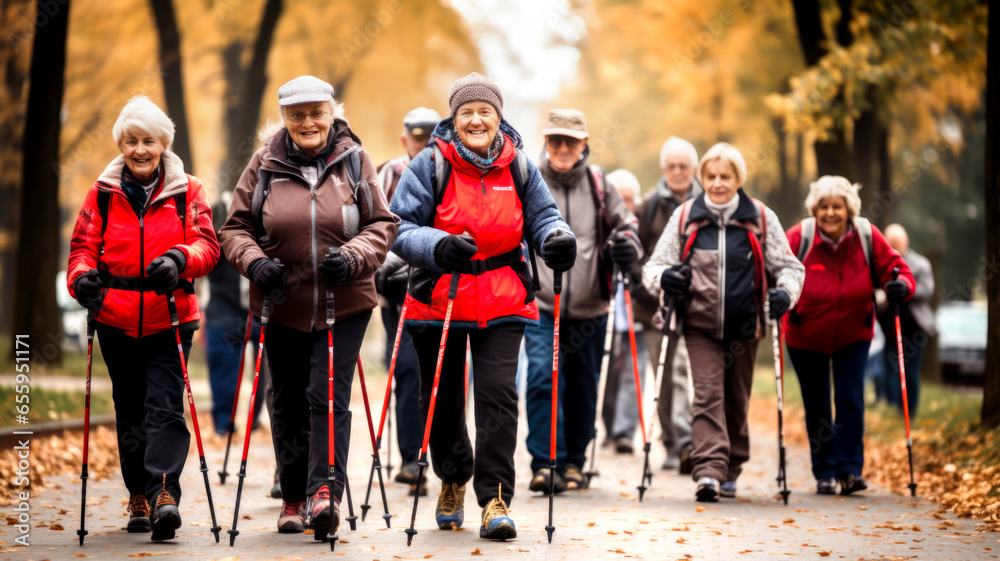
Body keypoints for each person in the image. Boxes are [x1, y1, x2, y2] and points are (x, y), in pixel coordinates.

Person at [390, 73, 574, 541]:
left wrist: (557, 239)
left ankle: (495, 499)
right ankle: (453, 476)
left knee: (498, 396)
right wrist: (438, 245)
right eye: (466, 112)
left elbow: (545, 217)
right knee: (443, 399)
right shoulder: (430, 164)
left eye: (485, 112)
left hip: (504, 296)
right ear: (454, 118)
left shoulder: (520, 168)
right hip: (439, 297)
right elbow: (400, 226)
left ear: (498, 117)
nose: (476, 119)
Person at [219, 75, 398, 540]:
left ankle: (325, 493)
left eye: (317, 112)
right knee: (286, 399)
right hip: (280, 303)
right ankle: (293, 498)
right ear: (284, 119)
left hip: (346, 302)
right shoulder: (264, 163)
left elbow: (382, 224)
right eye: (296, 115)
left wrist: (355, 256)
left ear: (332, 112)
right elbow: (234, 229)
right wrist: (255, 264)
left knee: (326, 394)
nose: (308, 122)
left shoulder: (355, 160)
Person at [67, 95, 220, 540]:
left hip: (169, 317)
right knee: (130, 409)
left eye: (148, 141)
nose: (139, 150)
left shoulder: (187, 190)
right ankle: (138, 492)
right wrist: (81, 281)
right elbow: (81, 249)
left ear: (163, 144)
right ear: (120, 145)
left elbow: (208, 247)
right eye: (130, 141)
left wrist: (179, 259)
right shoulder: (102, 193)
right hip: (114, 317)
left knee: (165, 408)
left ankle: (164, 495)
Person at [642, 142, 804, 502]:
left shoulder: (760, 218)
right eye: (711, 176)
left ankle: (731, 465)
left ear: (738, 179)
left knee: (736, 398)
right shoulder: (686, 217)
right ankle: (709, 473)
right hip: (699, 325)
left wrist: (785, 295)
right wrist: (665, 278)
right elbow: (653, 267)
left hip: (747, 326)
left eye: (725, 176)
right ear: (703, 178)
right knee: (707, 394)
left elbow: (790, 267)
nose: (717, 183)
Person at [524, 108, 643, 493]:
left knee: (582, 385)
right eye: (555, 140)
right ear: (546, 142)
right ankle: (545, 463)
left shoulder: (600, 185)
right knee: (543, 377)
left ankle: (574, 462)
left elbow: (628, 229)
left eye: (570, 141)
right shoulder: (529, 180)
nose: (562, 148)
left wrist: (626, 246)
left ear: (583, 145)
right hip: (541, 303)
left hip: (591, 307)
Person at [784, 176, 914, 495]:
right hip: (805, 334)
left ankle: (850, 471)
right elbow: (775, 268)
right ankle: (825, 472)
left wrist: (902, 287)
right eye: (823, 206)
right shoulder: (800, 236)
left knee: (850, 399)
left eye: (837, 206)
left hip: (853, 333)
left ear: (849, 209)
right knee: (817, 404)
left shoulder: (867, 236)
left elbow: (899, 271)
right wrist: (777, 296)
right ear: (814, 209)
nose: (830, 213)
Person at [375, 107, 442, 496]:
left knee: (441, 377)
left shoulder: (449, 170)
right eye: (417, 138)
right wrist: (385, 267)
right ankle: (411, 460)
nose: (424, 144)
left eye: (430, 136)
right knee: (405, 371)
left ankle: (438, 455)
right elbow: (378, 228)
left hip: (442, 292)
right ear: (405, 140)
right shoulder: (388, 173)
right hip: (396, 296)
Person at [633, 137, 701, 471]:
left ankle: (693, 442)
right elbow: (636, 257)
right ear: (663, 169)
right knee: (663, 376)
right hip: (655, 308)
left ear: (694, 170)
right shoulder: (648, 206)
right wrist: (652, 288)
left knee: (687, 374)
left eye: (683, 166)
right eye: (671, 166)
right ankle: (674, 444)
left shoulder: (707, 202)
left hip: (700, 304)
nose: (677, 172)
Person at [600, 169, 647, 455]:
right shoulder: (601, 226)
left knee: (633, 373)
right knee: (607, 376)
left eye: (629, 199)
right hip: (605, 317)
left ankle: (624, 432)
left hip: (635, 314)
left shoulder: (642, 229)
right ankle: (608, 426)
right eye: (620, 198)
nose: (625, 204)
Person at [877, 224, 935, 416]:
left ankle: (910, 410)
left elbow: (927, 291)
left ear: (905, 242)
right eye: (890, 243)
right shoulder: (879, 263)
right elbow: (874, 291)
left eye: (897, 243)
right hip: (889, 327)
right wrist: (883, 296)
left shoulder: (920, 264)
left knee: (910, 372)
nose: (894, 247)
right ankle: (893, 406)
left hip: (914, 327)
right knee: (891, 369)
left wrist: (905, 290)